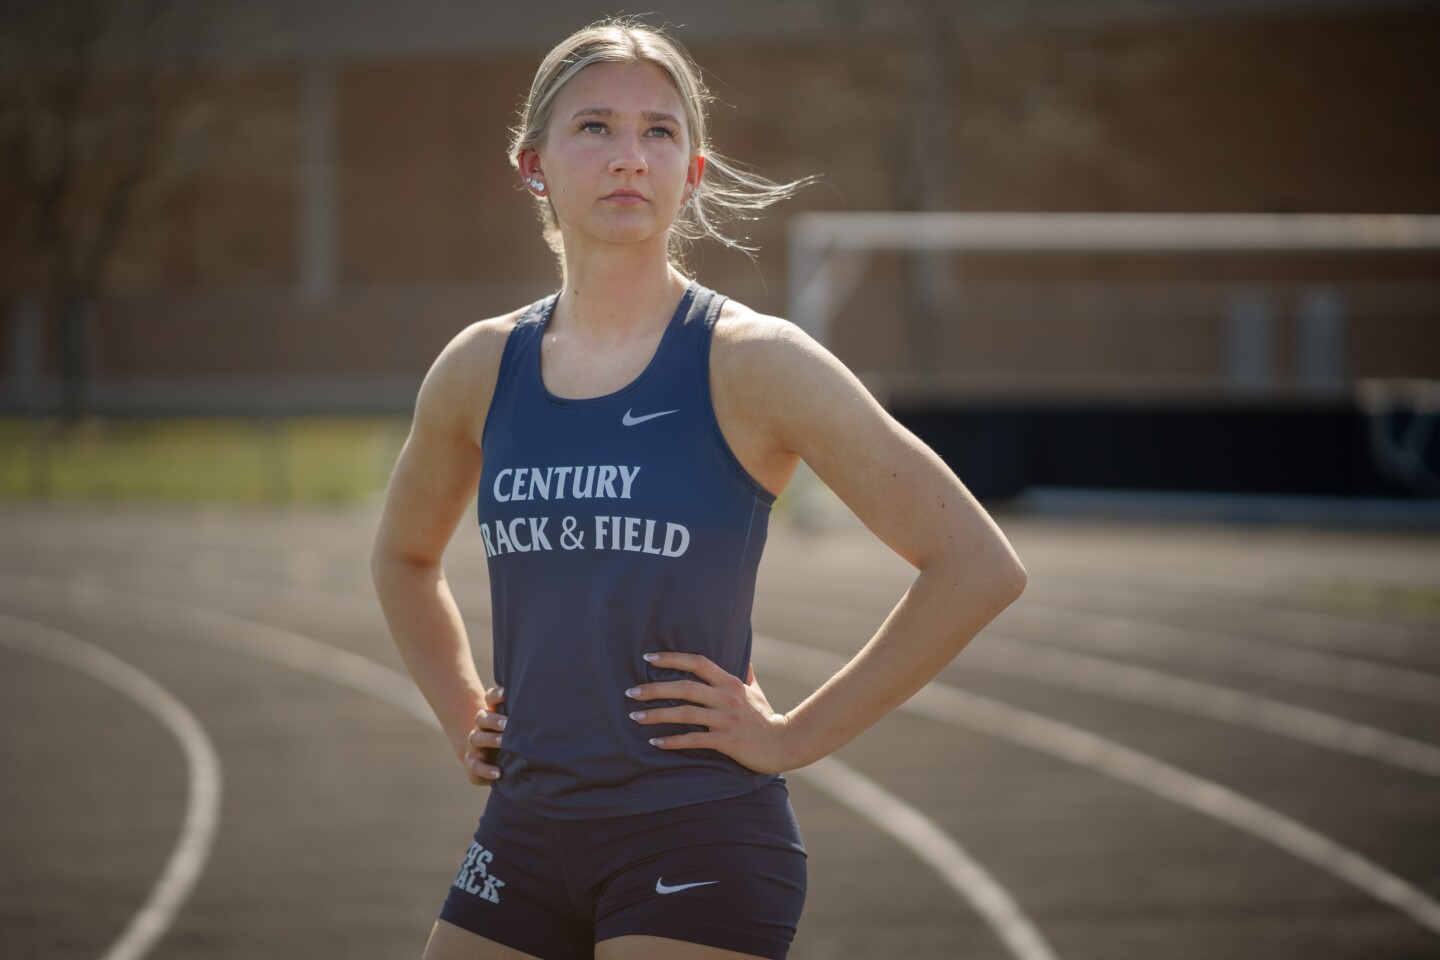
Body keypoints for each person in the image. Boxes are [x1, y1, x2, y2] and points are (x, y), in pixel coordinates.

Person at [371, 17, 1027, 960]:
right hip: (520, 831)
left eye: (660, 131)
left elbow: (976, 565)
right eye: (594, 126)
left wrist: (793, 735)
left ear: (695, 173)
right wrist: (459, 710)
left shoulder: (755, 363)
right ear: (534, 165)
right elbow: (402, 555)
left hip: (697, 834)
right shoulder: (481, 367)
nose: (630, 155)